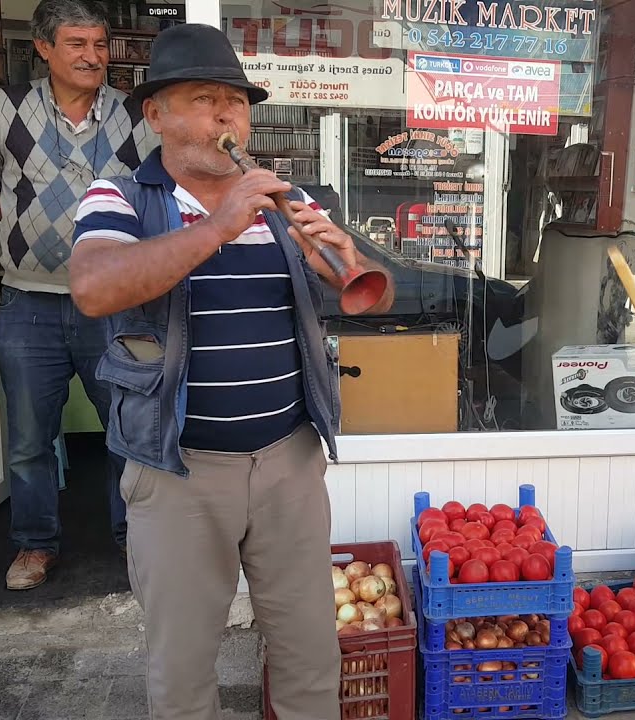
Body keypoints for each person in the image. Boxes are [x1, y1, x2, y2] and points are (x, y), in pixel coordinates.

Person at [67, 23, 394, 720]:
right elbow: (94, 288)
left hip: (289, 465)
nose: (227, 116)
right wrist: (218, 225)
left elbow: (374, 291)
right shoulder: (120, 198)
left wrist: (341, 265)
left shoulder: (286, 204)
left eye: (237, 103)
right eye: (204, 98)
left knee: (311, 659)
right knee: (183, 675)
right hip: (179, 475)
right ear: (155, 113)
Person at [0, 0, 158, 590]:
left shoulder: (132, 115)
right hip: (29, 303)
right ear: (44, 48)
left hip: (112, 303)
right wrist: (27, 227)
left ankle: (135, 544)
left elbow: (153, 192)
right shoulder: (5, 109)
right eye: (77, 44)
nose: (92, 56)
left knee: (126, 429)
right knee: (28, 438)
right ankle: (34, 545)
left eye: (99, 45)